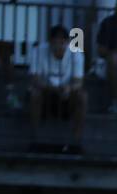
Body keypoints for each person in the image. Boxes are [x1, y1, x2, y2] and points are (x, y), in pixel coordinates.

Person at [28, 24, 86, 154]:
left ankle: (76, 143)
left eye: (62, 42)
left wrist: (69, 88)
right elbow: (34, 79)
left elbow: (79, 82)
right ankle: (35, 140)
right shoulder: (38, 51)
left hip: (67, 98)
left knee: (82, 96)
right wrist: (53, 89)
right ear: (49, 42)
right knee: (34, 94)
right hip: (45, 95)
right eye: (56, 42)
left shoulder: (76, 54)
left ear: (67, 42)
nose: (59, 46)